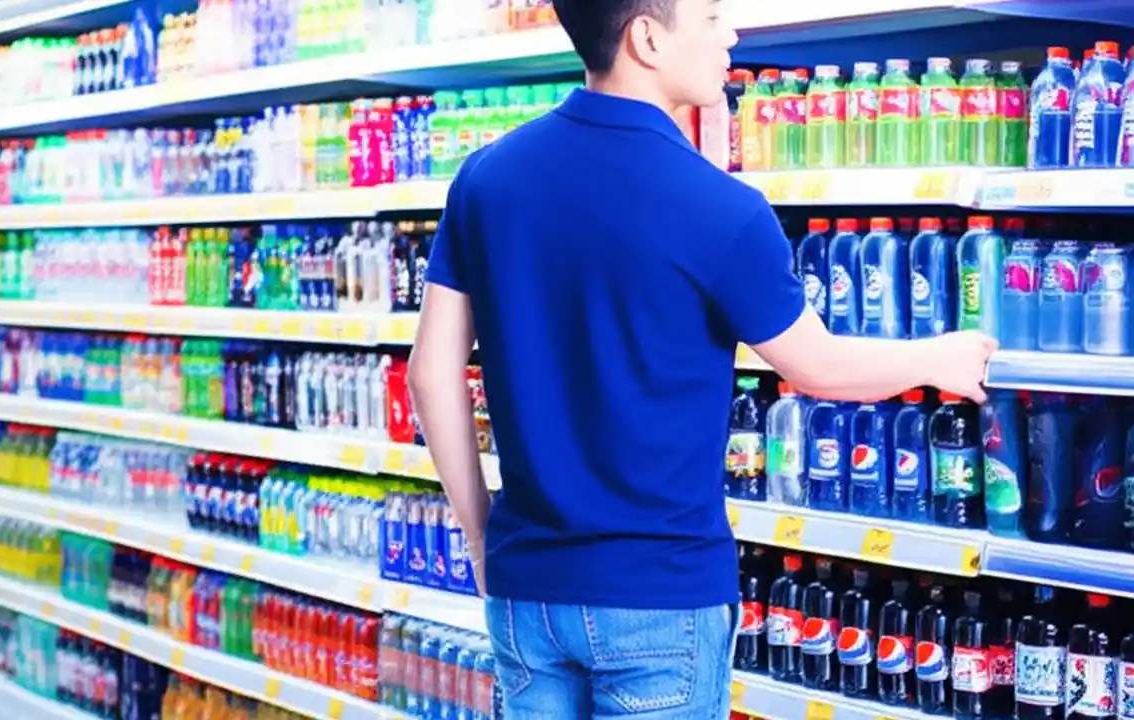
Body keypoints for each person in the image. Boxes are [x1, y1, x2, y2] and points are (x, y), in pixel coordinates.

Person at [406, 0, 998, 717]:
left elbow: (431, 372)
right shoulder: (721, 208)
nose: (733, 33)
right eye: (714, 15)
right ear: (647, 39)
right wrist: (937, 357)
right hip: (660, 594)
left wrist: (479, 531)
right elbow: (817, 366)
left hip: (526, 588)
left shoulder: (487, 179)